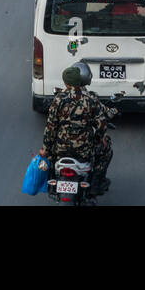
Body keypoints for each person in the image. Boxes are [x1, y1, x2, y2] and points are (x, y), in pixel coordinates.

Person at [39, 62, 116, 195]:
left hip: (60, 149)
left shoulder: (58, 100)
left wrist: (45, 149)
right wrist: (98, 140)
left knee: (48, 157)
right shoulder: (90, 99)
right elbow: (101, 124)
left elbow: (51, 127)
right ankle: (96, 184)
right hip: (84, 151)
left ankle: (51, 181)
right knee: (106, 150)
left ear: (66, 83)